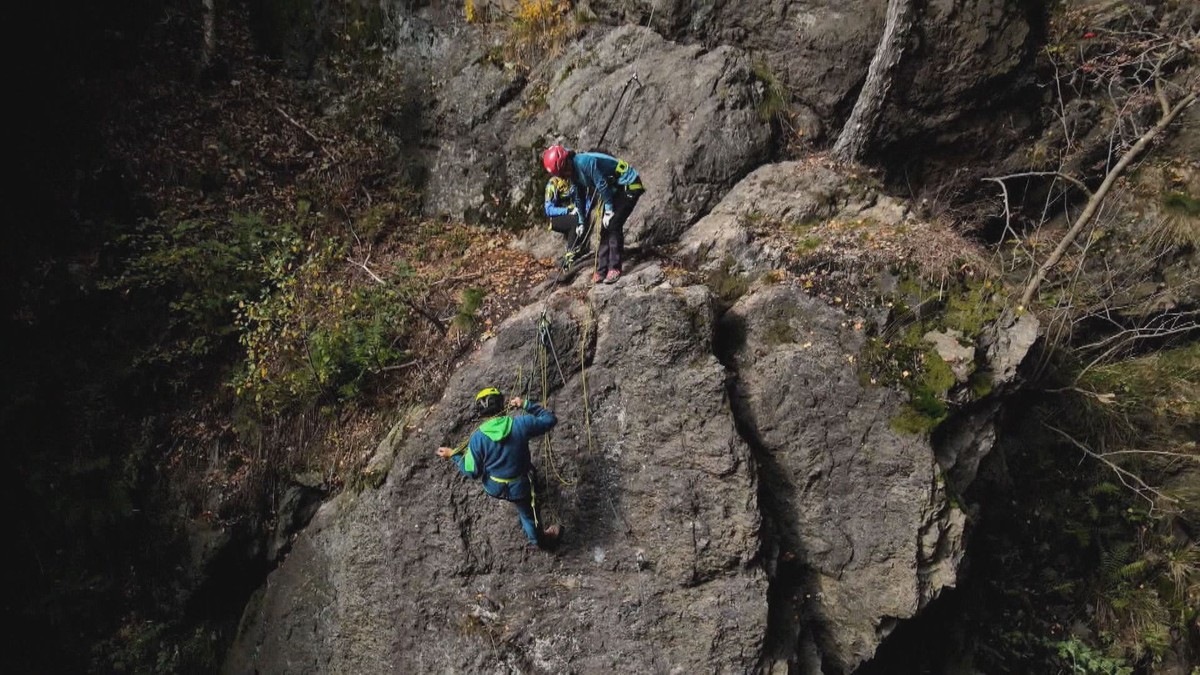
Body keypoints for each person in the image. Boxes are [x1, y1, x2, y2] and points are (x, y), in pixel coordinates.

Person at [436, 387, 562, 550]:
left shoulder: (477, 438)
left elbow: (472, 472)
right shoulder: (521, 424)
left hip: (495, 487)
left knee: (522, 506)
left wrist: (453, 454)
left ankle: (533, 532)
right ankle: (540, 540)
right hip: (521, 486)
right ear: (501, 404)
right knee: (528, 514)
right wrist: (526, 404)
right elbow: (549, 420)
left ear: (480, 411)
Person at [542, 144, 645, 284]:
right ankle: (601, 270)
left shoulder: (584, 162)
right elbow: (579, 197)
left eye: (563, 172)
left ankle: (614, 268)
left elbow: (601, 184)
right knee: (603, 229)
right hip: (615, 189)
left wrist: (609, 210)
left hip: (629, 184)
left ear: (566, 162)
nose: (564, 176)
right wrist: (580, 221)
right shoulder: (572, 173)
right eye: (560, 174)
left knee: (613, 223)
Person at [544, 175, 590, 271]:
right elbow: (548, 209)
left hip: (575, 213)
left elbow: (586, 198)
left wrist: (584, 211)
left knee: (575, 220)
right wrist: (567, 210)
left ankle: (575, 252)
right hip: (555, 218)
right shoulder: (553, 184)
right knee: (573, 221)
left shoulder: (575, 177)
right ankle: (570, 256)